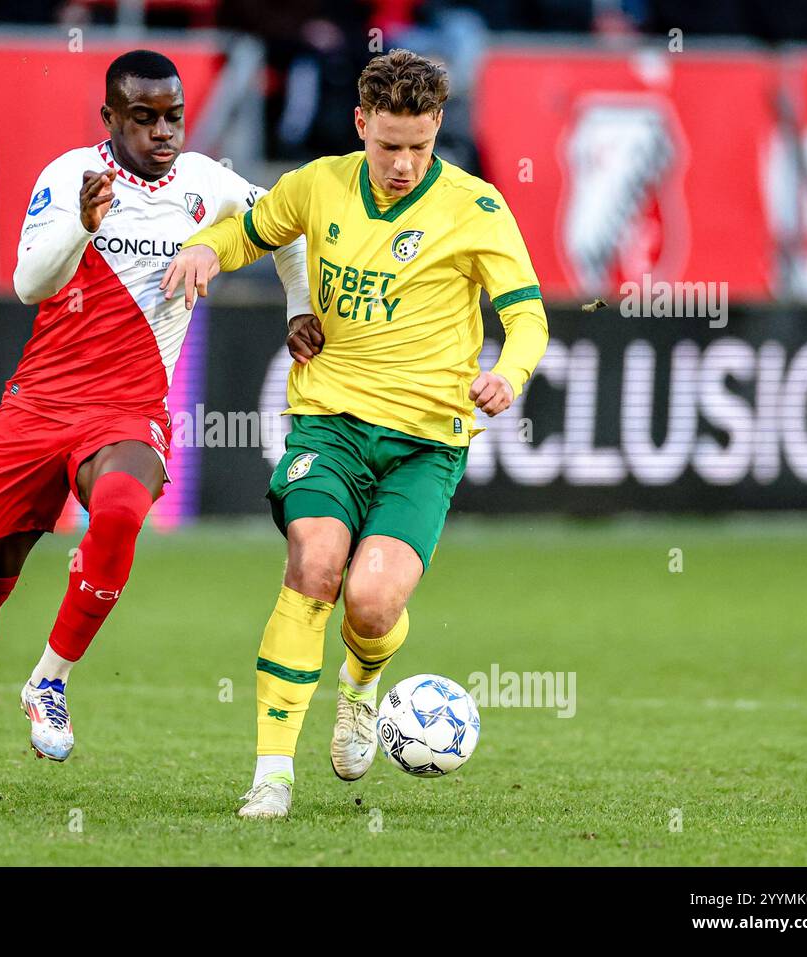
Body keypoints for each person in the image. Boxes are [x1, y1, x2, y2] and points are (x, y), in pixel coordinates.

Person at [0, 49, 312, 801]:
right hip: (37, 408)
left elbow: (289, 230)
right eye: (143, 118)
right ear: (110, 120)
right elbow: (29, 284)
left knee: (120, 509)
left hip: (129, 409)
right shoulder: (68, 177)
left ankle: (49, 680)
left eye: (173, 116)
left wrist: (299, 310)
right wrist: (83, 227)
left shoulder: (208, 184)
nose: (162, 132)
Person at [162, 48, 549, 819]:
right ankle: (272, 773)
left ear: (438, 125)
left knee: (370, 604)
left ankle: (361, 683)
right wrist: (209, 246)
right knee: (314, 564)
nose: (403, 163)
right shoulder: (318, 183)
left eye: (418, 145)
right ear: (361, 123)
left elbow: (528, 314)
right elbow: (253, 231)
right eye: (388, 144)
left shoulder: (477, 210)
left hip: (424, 444)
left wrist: (513, 370)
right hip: (328, 422)